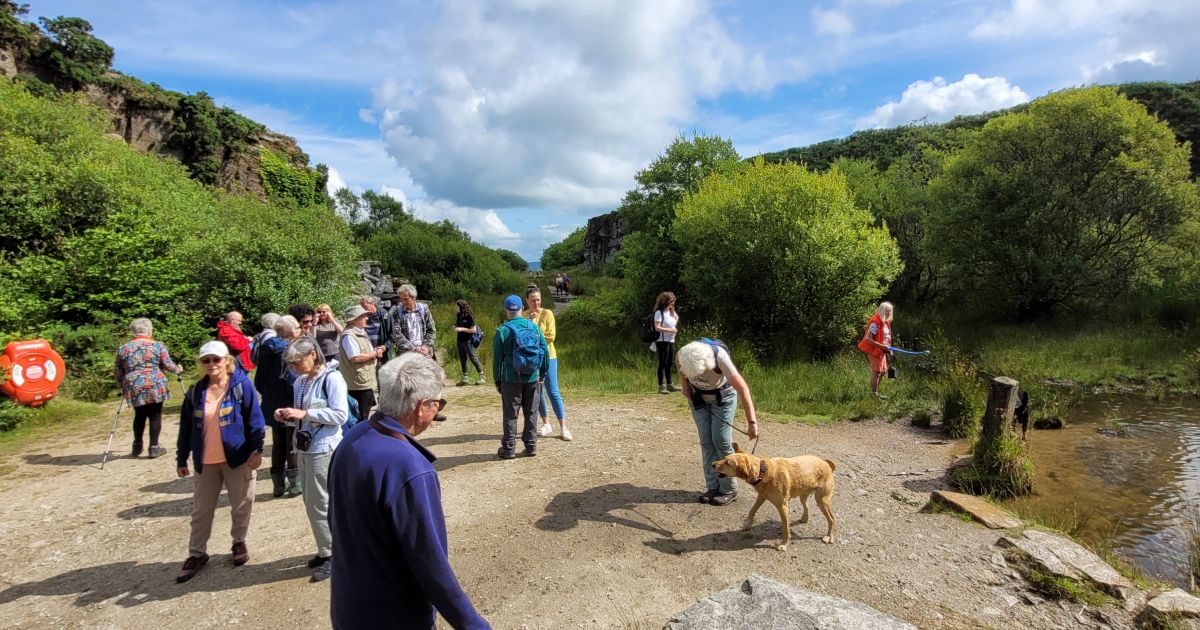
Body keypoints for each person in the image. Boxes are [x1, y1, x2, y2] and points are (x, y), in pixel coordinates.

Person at [328, 353, 489, 629]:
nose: (437, 411)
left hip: (349, 606)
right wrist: (472, 624)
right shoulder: (408, 466)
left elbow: (334, 517)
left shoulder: (354, 436)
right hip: (395, 615)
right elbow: (429, 561)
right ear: (422, 407)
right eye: (437, 404)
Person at [174, 341, 265, 583]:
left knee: (241, 504)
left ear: (227, 360)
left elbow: (255, 421)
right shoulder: (195, 392)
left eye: (216, 359)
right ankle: (197, 554)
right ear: (201, 364)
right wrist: (181, 457)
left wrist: (257, 450)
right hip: (206, 460)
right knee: (201, 510)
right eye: (207, 360)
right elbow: (185, 428)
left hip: (238, 458)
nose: (212, 364)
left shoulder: (241, 386)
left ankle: (239, 542)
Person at [275, 337, 348, 582]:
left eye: (298, 362)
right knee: (311, 501)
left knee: (322, 503)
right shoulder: (301, 382)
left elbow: (340, 415)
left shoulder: (332, 378)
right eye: (292, 364)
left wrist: (306, 413)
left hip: (324, 448)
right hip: (305, 448)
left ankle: (333, 555)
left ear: (313, 355)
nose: (295, 367)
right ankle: (326, 549)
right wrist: (286, 416)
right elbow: (302, 417)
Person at [677, 339, 758, 507]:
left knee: (720, 439)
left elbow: (743, 389)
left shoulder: (720, 357)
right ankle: (712, 487)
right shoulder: (684, 354)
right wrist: (685, 386)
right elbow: (681, 369)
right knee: (706, 441)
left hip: (723, 399)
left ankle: (729, 490)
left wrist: (752, 423)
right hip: (698, 399)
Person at [114, 317, 183, 458]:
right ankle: (154, 447)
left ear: (132, 331)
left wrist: (122, 385)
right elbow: (168, 364)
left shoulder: (124, 348)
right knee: (155, 415)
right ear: (150, 330)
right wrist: (178, 369)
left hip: (134, 384)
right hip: (154, 383)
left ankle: (137, 445)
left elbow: (118, 371)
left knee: (139, 414)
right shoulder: (158, 346)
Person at [493, 294, 549, 459]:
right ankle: (531, 446)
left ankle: (509, 448)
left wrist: (497, 380)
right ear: (522, 309)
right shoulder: (533, 327)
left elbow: (497, 360)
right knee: (531, 412)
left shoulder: (502, 331)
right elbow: (544, 351)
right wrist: (543, 372)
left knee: (511, 414)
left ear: (506, 310)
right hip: (532, 378)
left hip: (510, 379)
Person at [255, 315, 301, 497]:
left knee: (278, 443)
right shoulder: (288, 351)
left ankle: (278, 484)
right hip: (288, 401)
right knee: (291, 442)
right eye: (297, 327)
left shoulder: (266, 349)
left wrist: (268, 395)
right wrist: (298, 398)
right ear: (291, 332)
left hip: (272, 401)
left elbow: (258, 379)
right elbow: (291, 380)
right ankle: (295, 484)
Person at [527, 287, 571, 441]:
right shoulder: (525, 316)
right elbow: (521, 336)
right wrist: (529, 323)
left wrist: (532, 334)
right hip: (532, 359)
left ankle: (563, 426)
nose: (536, 302)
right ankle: (546, 424)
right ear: (527, 301)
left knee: (553, 391)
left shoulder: (547, 314)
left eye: (538, 299)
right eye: (533, 300)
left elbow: (551, 336)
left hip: (549, 357)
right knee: (537, 393)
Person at [339, 305, 385, 421]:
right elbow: (355, 357)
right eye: (363, 316)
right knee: (360, 416)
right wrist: (374, 354)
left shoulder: (360, 332)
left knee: (365, 412)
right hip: (358, 383)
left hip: (364, 380)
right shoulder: (349, 336)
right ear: (355, 319)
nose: (367, 318)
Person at [857, 301, 894, 400]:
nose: (889, 313)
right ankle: (873, 395)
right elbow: (867, 338)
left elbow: (886, 338)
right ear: (882, 310)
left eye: (890, 311)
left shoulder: (885, 322)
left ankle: (876, 393)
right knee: (876, 371)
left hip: (882, 350)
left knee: (882, 372)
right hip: (874, 350)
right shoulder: (875, 322)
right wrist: (882, 346)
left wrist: (888, 348)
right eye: (887, 311)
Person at [390, 284, 436, 358]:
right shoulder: (397, 312)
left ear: (413, 298)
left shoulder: (423, 309)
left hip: (424, 352)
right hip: (406, 353)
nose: (403, 302)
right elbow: (396, 334)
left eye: (405, 299)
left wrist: (425, 346)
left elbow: (431, 330)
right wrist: (413, 348)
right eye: (401, 299)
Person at [452, 299, 486, 386]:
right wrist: (455, 326)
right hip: (460, 340)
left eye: (457, 306)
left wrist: (461, 329)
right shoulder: (459, 314)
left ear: (461, 307)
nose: (455, 308)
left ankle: (482, 377)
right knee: (463, 359)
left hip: (468, 341)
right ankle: (465, 378)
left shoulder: (470, 315)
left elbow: (473, 330)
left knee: (473, 358)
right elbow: (458, 324)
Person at [653, 292, 680, 395]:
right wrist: (670, 330)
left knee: (669, 363)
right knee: (662, 364)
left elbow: (676, 319)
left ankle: (670, 385)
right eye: (672, 301)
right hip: (662, 340)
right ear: (667, 301)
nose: (673, 303)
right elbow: (657, 327)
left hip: (670, 340)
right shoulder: (659, 313)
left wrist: (672, 311)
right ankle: (661, 386)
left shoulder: (669, 312)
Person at [361, 294, 392, 363]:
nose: (363, 309)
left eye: (365, 307)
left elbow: (392, 334)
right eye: (362, 307)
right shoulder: (362, 316)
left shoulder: (384, 315)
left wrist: (384, 347)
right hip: (367, 352)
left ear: (373, 304)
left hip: (382, 352)